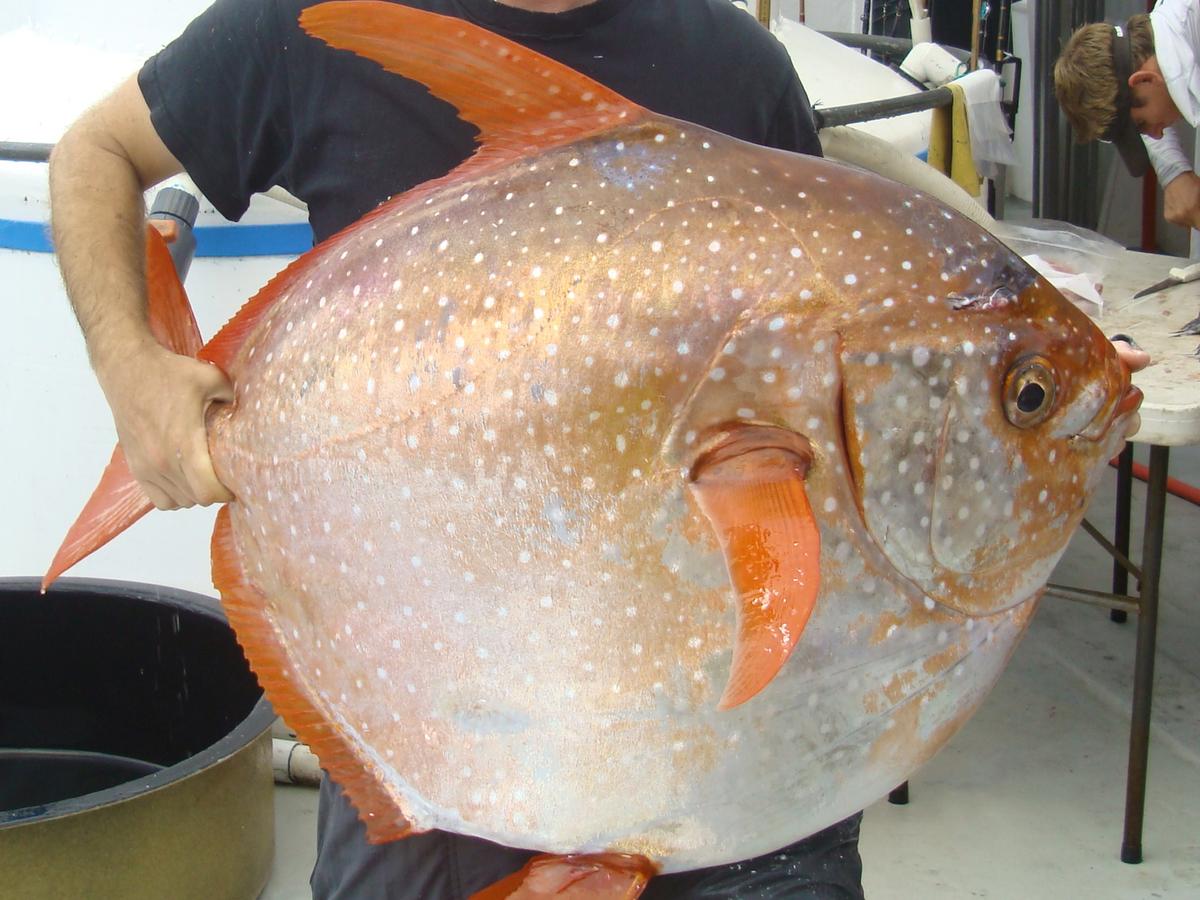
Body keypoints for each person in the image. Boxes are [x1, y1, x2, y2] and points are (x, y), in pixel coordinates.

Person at [48, 0, 864, 897]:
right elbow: (96, 152)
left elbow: (820, 357)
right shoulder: (301, 25)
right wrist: (133, 372)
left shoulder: (739, 69)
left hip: (708, 718)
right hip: (423, 705)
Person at [1054, 2, 1200, 241]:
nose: (1157, 135)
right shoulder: (1167, 35)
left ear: (1144, 80)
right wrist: (1174, 173)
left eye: (1142, 125)